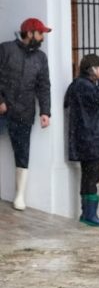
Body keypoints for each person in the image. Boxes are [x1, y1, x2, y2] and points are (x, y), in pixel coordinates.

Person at [0, 18, 52, 210]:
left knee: (22, 153)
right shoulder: (5, 49)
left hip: (24, 111)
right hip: (3, 109)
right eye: (40, 33)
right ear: (30, 33)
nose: (42, 38)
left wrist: (45, 111)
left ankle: (19, 196)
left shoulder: (41, 58)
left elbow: (44, 86)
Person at [65, 54, 99, 227]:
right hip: (92, 139)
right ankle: (89, 215)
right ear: (92, 69)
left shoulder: (81, 85)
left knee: (89, 177)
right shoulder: (83, 85)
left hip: (90, 139)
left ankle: (88, 213)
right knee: (91, 177)